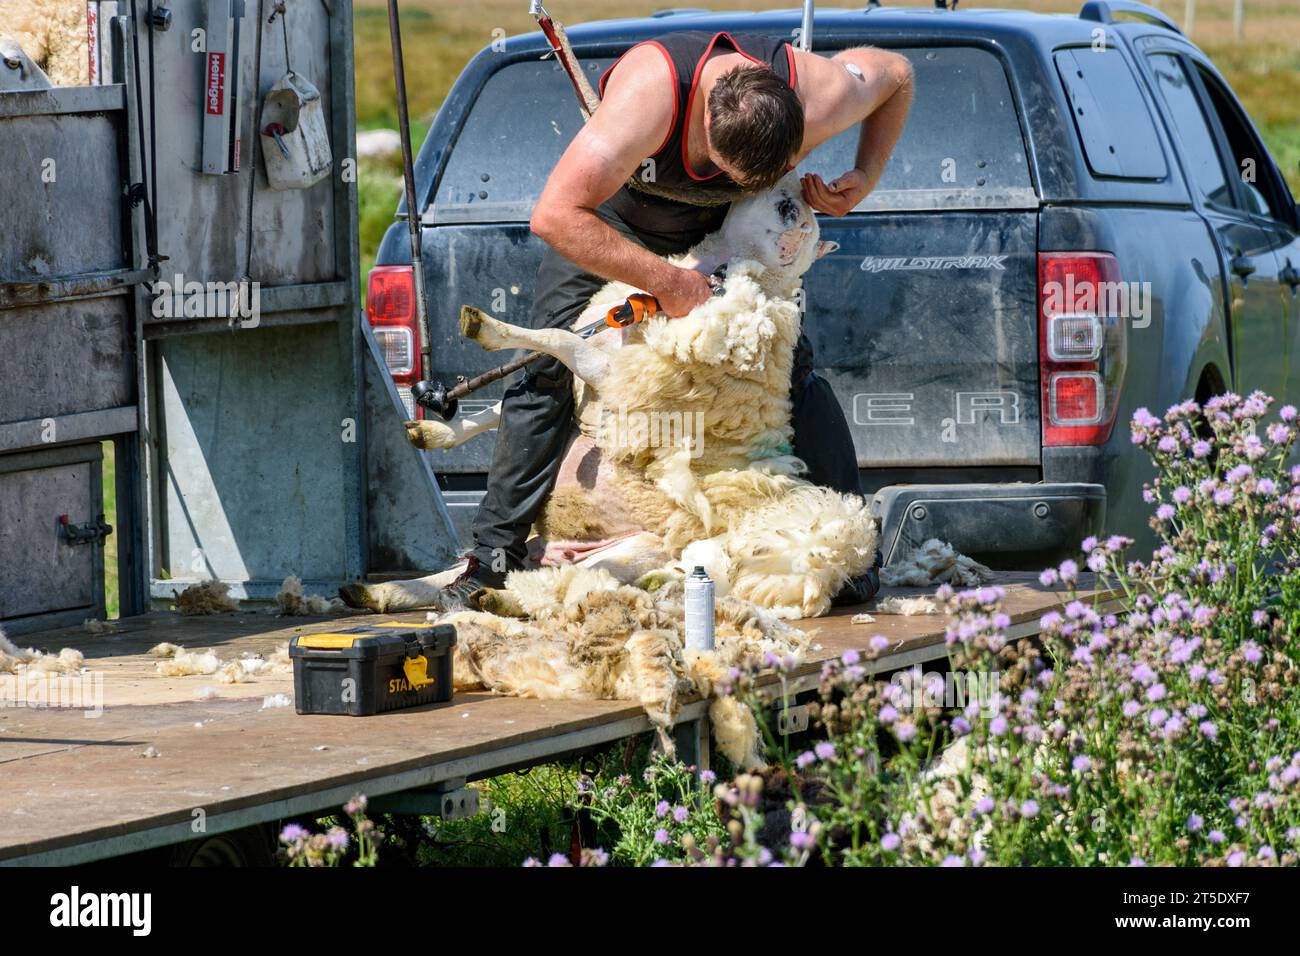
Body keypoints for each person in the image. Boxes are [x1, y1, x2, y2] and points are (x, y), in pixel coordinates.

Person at [448, 30, 912, 604]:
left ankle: (853, 553)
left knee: (788, 364)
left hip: (720, 231)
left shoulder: (820, 93)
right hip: (611, 222)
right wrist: (666, 281)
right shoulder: (650, 98)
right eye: (737, 172)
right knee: (546, 368)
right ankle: (494, 556)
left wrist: (865, 177)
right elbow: (555, 216)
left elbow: (895, 73)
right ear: (707, 133)